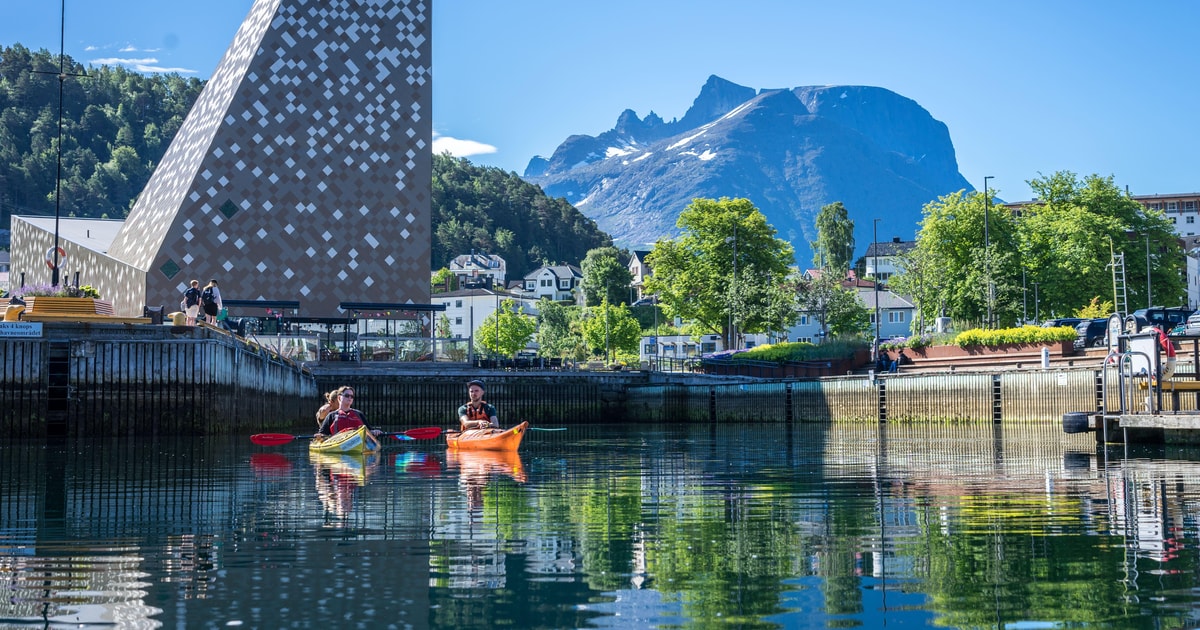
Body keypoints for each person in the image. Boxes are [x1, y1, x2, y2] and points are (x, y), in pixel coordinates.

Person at [316, 386, 383, 438]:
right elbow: (322, 434)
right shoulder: (331, 416)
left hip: (358, 440)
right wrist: (319, 436)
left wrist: (374, 431)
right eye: (347, 396)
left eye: (352, 396)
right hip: (338, 442)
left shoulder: (358, 414)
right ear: (339, 398)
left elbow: (369, 430)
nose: (350, 398)